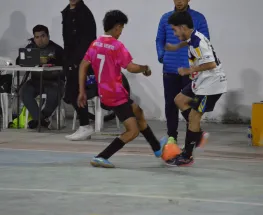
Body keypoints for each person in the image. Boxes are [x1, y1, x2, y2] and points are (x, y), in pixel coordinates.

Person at [78, 10, 165, 168]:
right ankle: (101, 156)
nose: (121, 32)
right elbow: (131, 68)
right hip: (116, 95)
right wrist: (145, 68)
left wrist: (82, 91)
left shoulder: (95, 44)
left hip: (104, 93)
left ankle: (157, 148)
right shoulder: (116, 46)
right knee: (132, 132)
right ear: (117, 27)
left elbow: (83, 65)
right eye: (122, 29)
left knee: (138, 111)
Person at [165, 11, 227, 166]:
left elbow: (211, 64)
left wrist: (188, 70)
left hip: (211, 84)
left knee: (193, 117)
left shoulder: (198, 41)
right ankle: (197, 134)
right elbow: (188, 44)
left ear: (183, 27)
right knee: (179, 100)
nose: (174, 33)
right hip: (201, 81)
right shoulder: (193, 37)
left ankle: (187, 156)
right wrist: (177, 46)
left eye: (174, 30)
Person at [156, 0, 210, 143]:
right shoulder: (165, 18)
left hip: (189, 71)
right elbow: (159, 40)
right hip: (170, 69)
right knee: (170, 104)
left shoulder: (198, 18)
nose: (179, 1)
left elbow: (205, 41)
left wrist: (196, 63)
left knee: (190, 105)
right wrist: (162, 56)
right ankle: (172, 136)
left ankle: (192, 136)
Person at [62, 0, 97, 140]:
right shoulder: (66, 11)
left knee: (74, 92)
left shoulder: (84, 13)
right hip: (70, 59)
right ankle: (85, 126)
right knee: (71, 93)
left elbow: (88, 40)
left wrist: (80, 61)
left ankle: (85, 126)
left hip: (81, 60)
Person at [18, 25, 64, 129]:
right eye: (37, 37)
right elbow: (19, 61)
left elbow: (64, 64)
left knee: (54, 94)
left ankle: (39, 119)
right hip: (36, 81)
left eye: (43, 36)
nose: (40, 40)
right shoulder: (30, 48)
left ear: (48, 36)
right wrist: (32, 60)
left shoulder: (57, 49)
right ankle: (41, 120)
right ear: (34, 38)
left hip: (54, 81)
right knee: (24, 91)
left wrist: (50, 62)